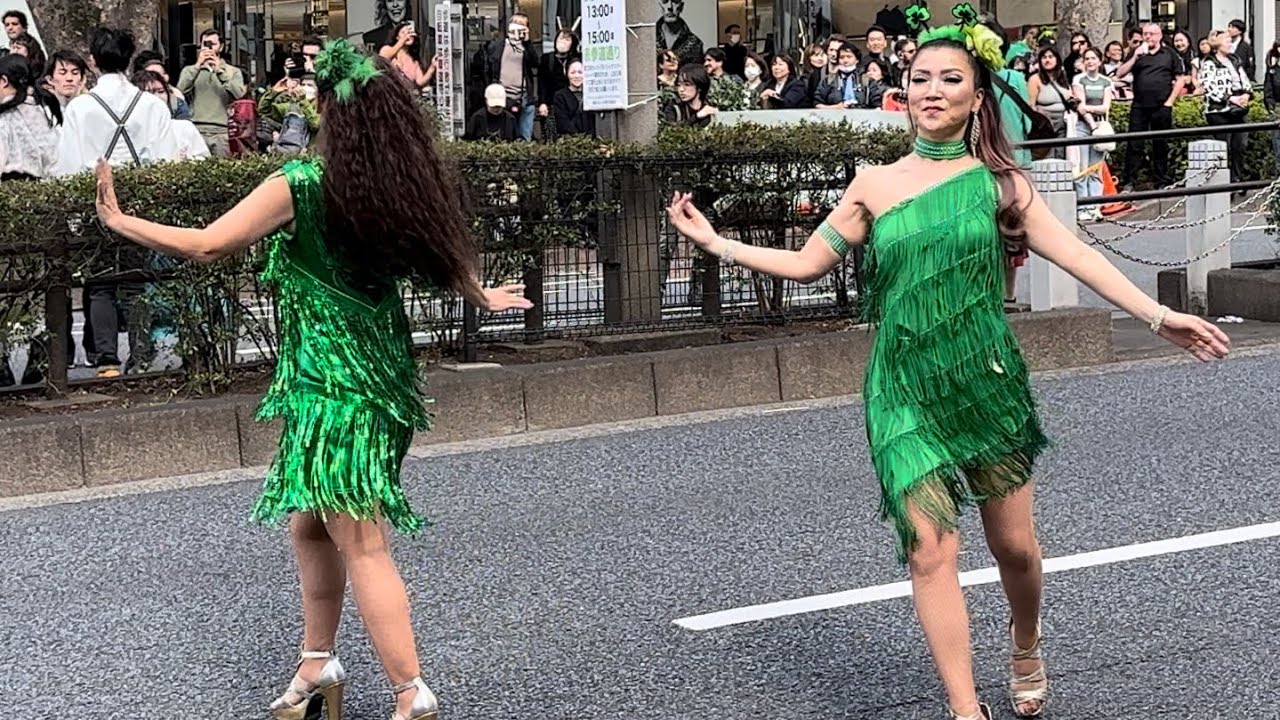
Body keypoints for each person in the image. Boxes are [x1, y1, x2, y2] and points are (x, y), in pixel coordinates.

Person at [663, 6, 1231, 719]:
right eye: (919, 78)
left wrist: (1158, 315)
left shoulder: (1003, 185)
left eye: (950, 78)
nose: (932, 90)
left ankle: (1025, 637)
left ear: (975, 95)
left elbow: (1081, 255)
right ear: (904, 92)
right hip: (900, 387)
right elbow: (807, 264)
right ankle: (966, 710)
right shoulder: (872, 183)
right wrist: (717, 244)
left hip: (985, 381)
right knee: (930, 551)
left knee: (1015, 549)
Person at [92, 39, 533, 720]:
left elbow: (211, 243)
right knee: (309, 524)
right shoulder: (393, 183)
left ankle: (410, 691)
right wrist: (480, 295)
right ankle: (317, 664)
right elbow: (444, 253)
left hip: (333, 388)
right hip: (379, 382)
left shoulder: (301, 184)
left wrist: (123, 221)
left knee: (361, 538)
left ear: (326, 107)